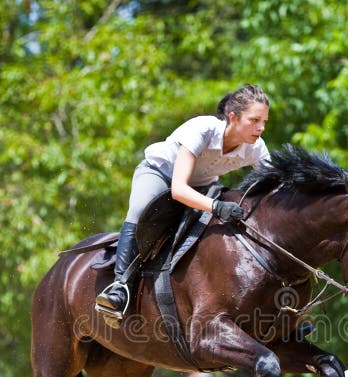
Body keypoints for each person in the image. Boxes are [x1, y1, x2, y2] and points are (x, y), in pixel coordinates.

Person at [95, 84, 271, 321]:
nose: (261, 128)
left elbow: (275, 187)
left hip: (201, 186)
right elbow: (178, 189)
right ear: (233, 117)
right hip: (161, 175)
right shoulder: (203, 129)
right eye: (254, 120)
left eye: (264, 122)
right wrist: (216, 206)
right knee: (140, 210)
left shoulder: (256, 148)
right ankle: (119, 287)